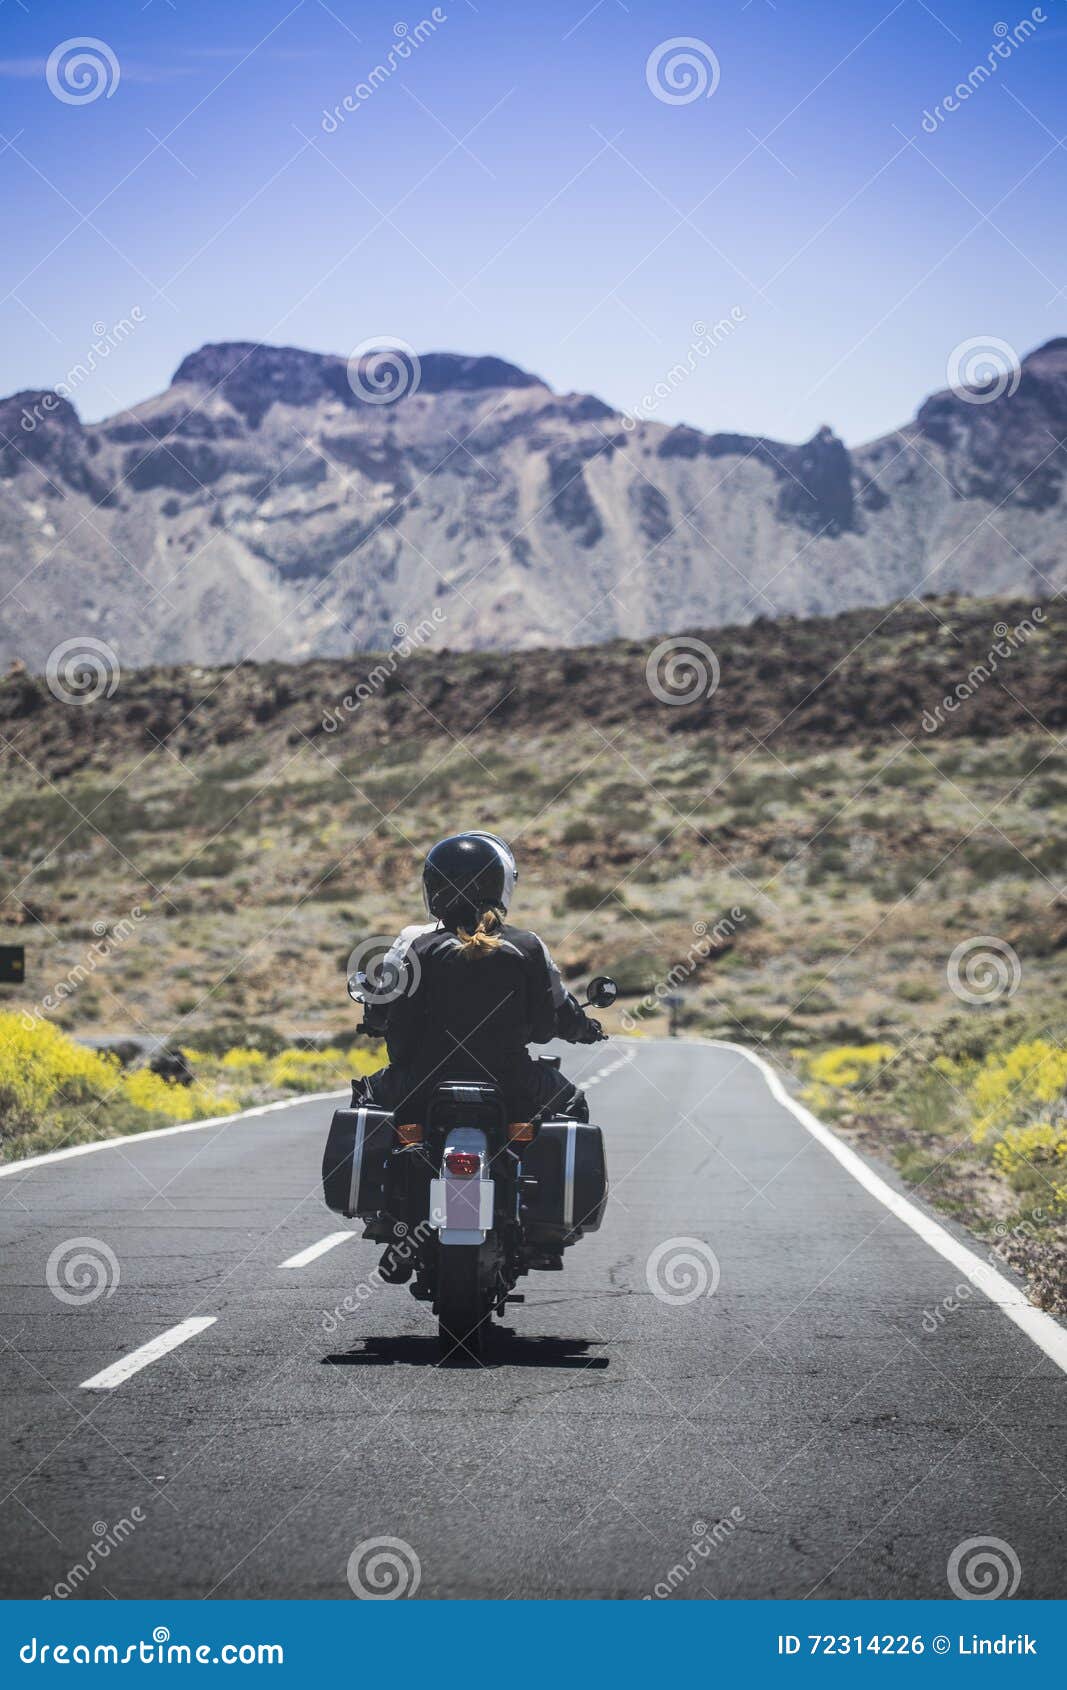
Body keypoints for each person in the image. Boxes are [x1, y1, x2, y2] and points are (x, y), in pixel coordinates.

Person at [354, 832, 604, 1126]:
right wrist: (584, 1029)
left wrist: (378, 1022)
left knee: (365, 1102)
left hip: (420, 1086)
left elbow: (393, 1020)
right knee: (573, 1105)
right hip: (513, 1085)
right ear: (499, 884)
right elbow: (545, 1027)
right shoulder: (528, 946)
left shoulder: (418, 945)